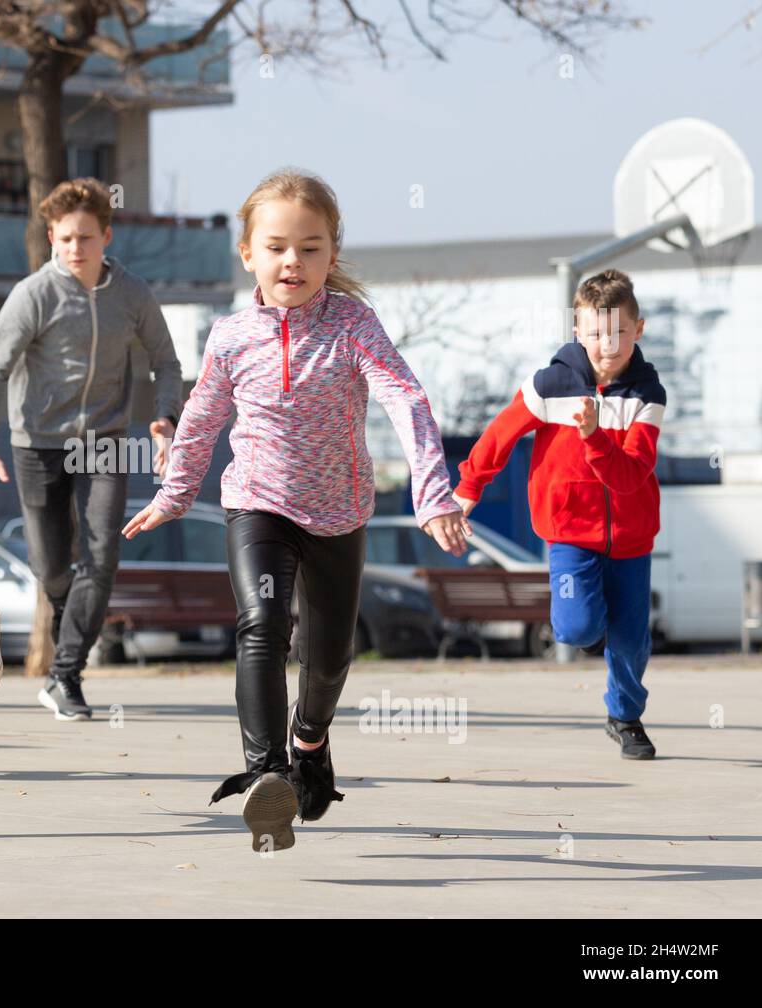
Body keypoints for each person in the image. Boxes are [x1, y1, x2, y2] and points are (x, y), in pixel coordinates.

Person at [124, 169, 470, 852]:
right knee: (263, 623)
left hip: (338, 512)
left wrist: (432, 493)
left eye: (311, 248)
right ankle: (267, 776)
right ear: (249, 253)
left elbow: (406, 397)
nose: (294, 262)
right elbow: (199, 423)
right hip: (257, 505)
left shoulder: (352, 325)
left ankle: (309, 743)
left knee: (330, 659)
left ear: (332, 255)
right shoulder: (229, 336)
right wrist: (174, 495)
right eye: (277, 246)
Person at [0, 177, 183, 721]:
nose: (74, 249)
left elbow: (167, 361)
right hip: (36, 443)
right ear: (51, 238)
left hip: (104, 442)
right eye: (64, 239)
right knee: (51, 570)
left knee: (101, 557)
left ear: (106, 237)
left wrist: (165, 417)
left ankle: (66, 675)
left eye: (85, 238)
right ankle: (68, 630)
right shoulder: (34, 294)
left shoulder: (131, 293)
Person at [455, 269, 664, 760]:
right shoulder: (551, 384)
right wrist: (469, 486)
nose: (605, 345)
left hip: (632, 538)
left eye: (617, 333)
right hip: (570, 532)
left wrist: (592, 435)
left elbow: (631, 474)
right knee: (576, 630)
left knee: (632, 644)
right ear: (577, 331)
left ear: (639, 329)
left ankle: (625, 717)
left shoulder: (647, 395)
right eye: (594, 333)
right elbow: (501, 434)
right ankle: (596, 624)